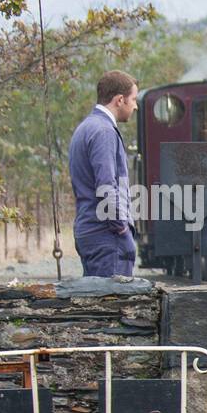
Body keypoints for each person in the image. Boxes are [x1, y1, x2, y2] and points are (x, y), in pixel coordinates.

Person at [68, 70, 139, 278]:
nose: (135, 106)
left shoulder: (85, 128)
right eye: (133, 99)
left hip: (91, 233)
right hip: (106, 237)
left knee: (97, 307)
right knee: (114, 307)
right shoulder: (105, 132)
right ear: (119, 100)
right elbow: (106, 187)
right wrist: (122, 229)